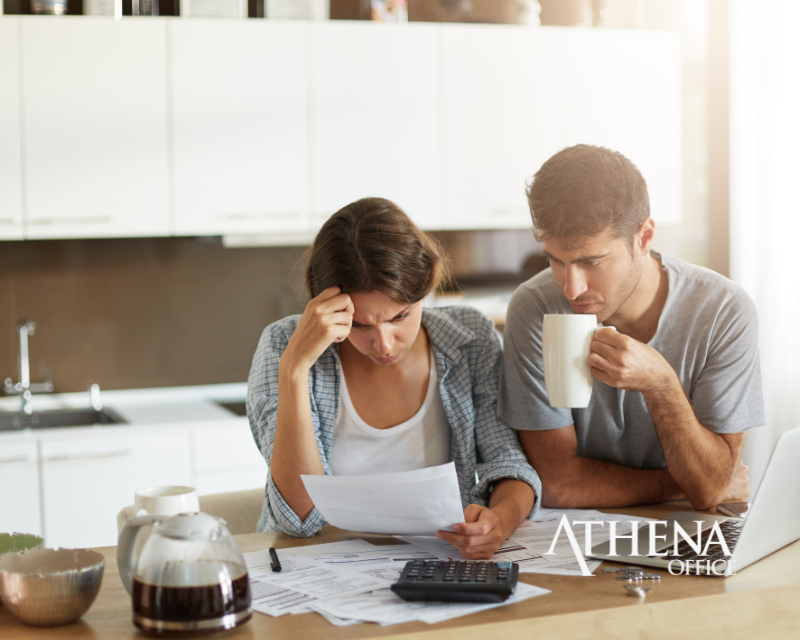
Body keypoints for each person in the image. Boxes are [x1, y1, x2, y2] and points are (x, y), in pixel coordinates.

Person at [248, 197, 541, 559]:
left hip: (434, 564)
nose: (384, 343)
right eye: (359, 324)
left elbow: (507, 462)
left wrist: (500, 520)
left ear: (429, 279)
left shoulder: (470, 338)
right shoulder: (283, 346)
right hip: (314, 571)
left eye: (400, 316)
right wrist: (295, 369)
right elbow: (299, 519)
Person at [499, 144, 765, 511]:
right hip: (577, 534)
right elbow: (558, 484)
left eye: (591, 261)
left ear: (643, 238)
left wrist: (660, 383)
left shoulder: (722, 311)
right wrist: (684, 483)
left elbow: (708, 492)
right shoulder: (535, 307)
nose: (570, 288)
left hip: (688, 527)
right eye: (555, 261)